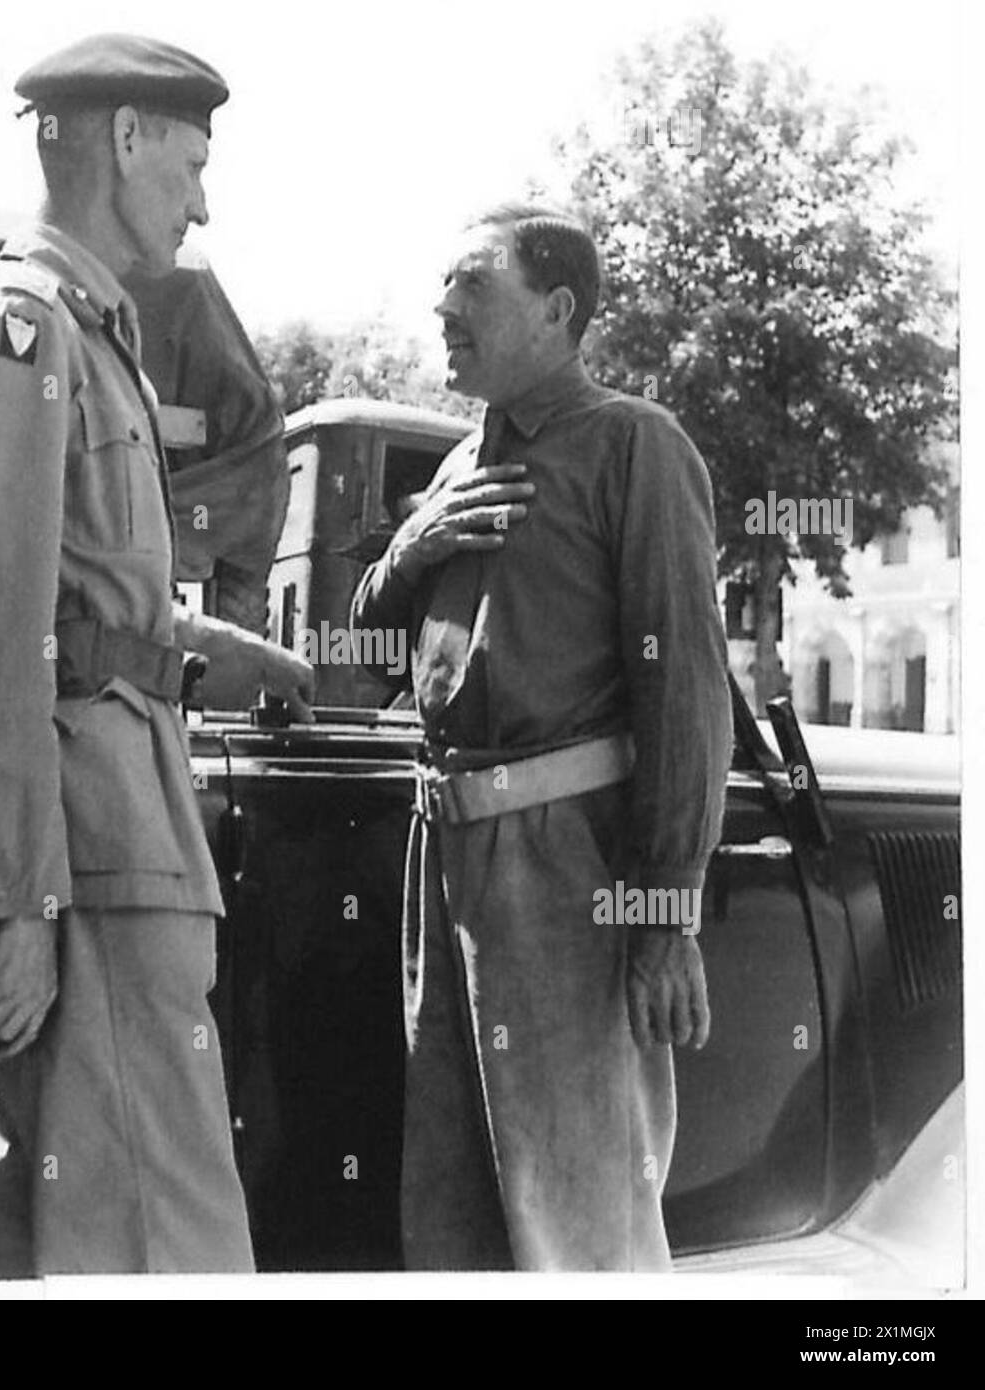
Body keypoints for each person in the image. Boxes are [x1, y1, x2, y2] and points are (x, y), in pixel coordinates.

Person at [0, 33, 314, 1278]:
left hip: (112, 845)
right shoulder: (22, 331)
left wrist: (206, 651)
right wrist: (21, 897)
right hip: (84, 862)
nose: (203, 197)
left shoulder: (90, 334)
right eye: (189, 162)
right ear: (123, 140)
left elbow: (77, 608)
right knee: (152, 1244)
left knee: (60, 1235)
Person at [350, 202, 733, 1270]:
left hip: (572, 872)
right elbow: (366, 642)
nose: (442, 307)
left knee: (576, 1213)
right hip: (449, 867)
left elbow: (687, 694)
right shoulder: (462, 462)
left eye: (474, 283)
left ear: (558, 310)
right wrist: (410, 548)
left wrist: (664, 912)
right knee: (455, 1205)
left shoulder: (636, 445)